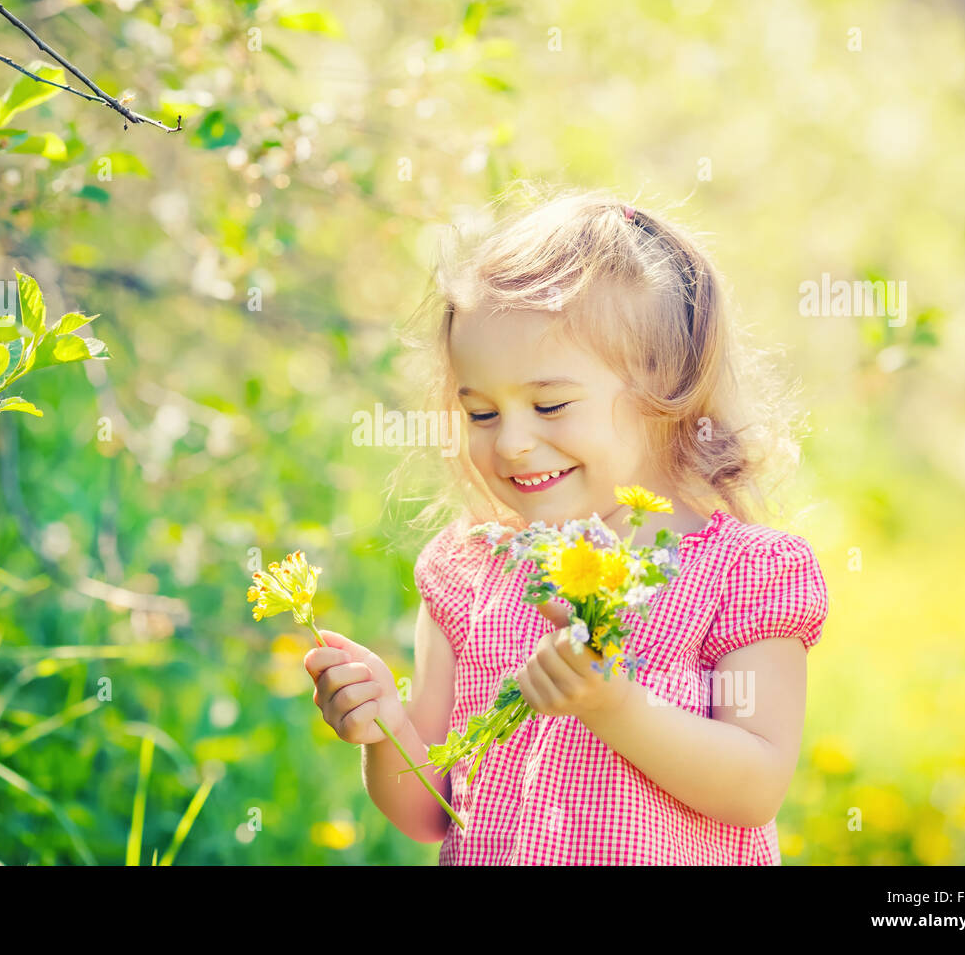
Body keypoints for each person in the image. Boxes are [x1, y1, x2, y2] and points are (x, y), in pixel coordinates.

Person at [305, 184, 829, 864]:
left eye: (549, 406)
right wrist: (384, 730)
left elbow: (755, 786)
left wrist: (613, 706)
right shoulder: (470, 573)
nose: (512, 443)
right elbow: (428, 812)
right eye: (482, 414)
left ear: (665, 388)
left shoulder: (744, 576)